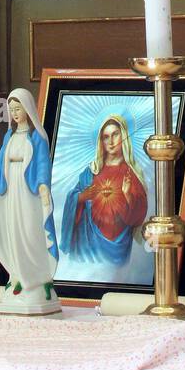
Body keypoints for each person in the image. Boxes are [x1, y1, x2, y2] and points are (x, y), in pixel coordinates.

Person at [0, 89, 60, 313]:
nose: (14, 113)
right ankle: (17, 276)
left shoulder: (37, 138)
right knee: (13, 230)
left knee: (29, 231)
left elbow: (43, 164)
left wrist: (43, 185)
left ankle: (34, 278)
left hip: (29, 193)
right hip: (12, 191)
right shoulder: (10, 137)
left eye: (18, 109)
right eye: (11, 110)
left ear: (28, 109)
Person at [60, 114, 148, 267]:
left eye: (115, 134)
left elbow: (137, 217)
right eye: (106, 137)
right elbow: (73, 197)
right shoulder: (92, 171)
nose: (111, 142)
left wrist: (128, 195)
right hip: (88, 241)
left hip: (119, 244)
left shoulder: (131, 173)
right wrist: (81, 197)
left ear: (124, 136)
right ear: (101, 141)